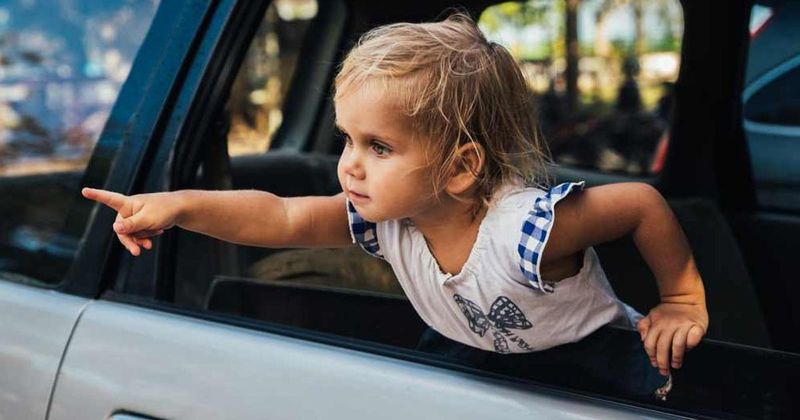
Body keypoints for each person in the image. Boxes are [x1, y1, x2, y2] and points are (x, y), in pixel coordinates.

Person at [82, 13, 707, 400]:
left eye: (379, 146)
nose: (350, 163)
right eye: (346, 139)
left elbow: (640, 203)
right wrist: (181, 204)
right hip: (470, 357)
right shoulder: (388, 219)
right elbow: (282, 217)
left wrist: (679, 298)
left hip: (590, 361)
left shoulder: (523, 230)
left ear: (461, 168)